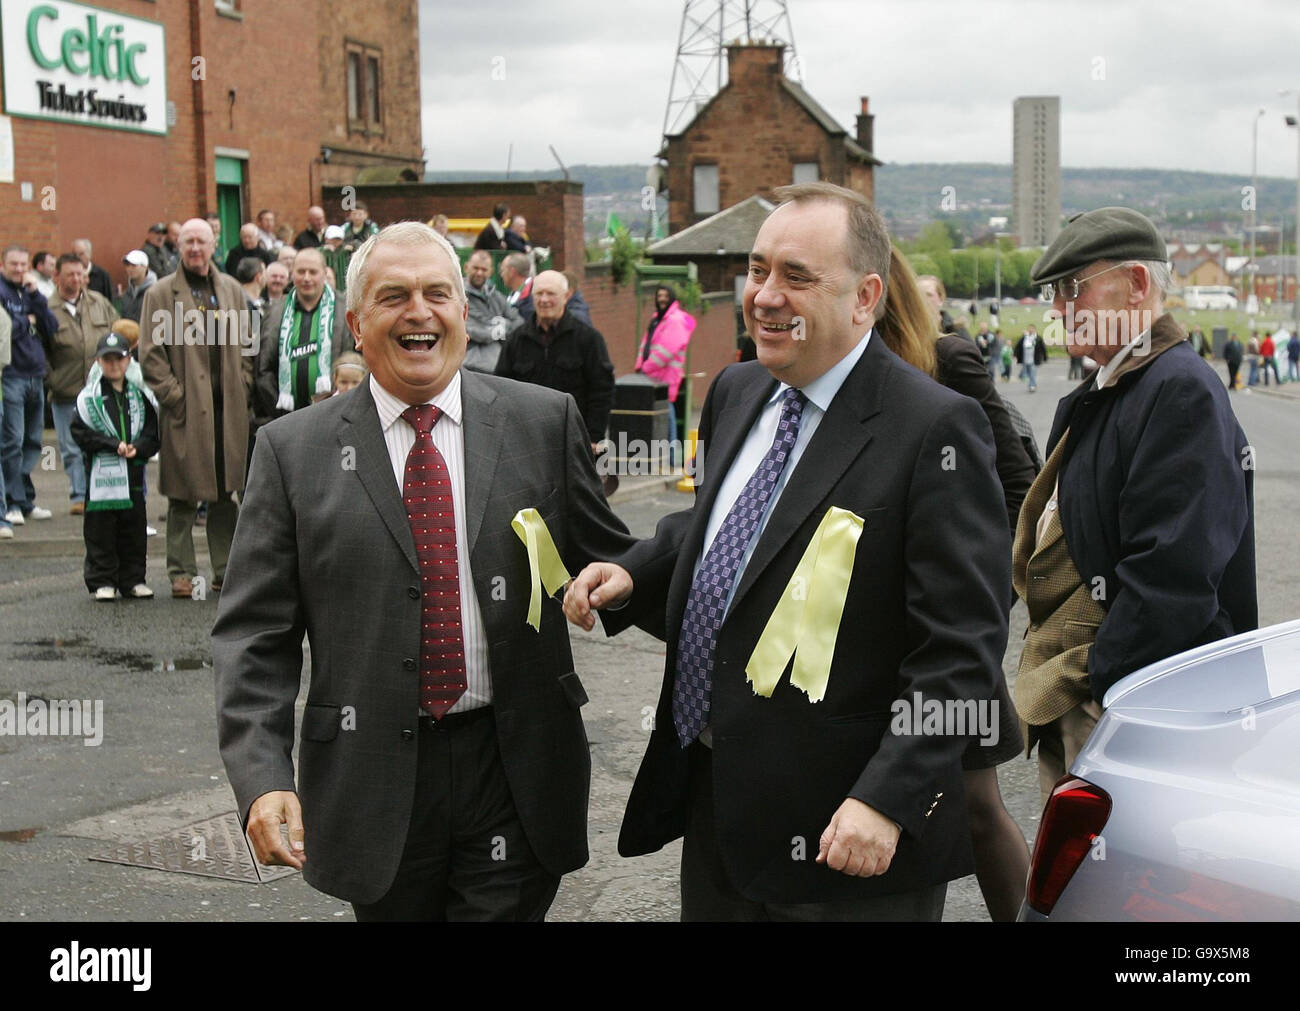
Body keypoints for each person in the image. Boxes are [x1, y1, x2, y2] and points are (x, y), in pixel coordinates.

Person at [563, 182, 1011, 921]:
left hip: (848, 838)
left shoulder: (934, 428)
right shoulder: (739, 390)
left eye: (797, 277)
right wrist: (636, 568)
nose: (764, 296)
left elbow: (960, 654)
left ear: (865, 296)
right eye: (757, 269)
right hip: (719, 813)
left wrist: (887, 798)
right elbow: (722, 526)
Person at [213, 221, 637, 921]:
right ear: (355, 321)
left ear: (465, 314)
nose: (419, 311)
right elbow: (253, 636)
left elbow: (614, 557)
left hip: (514, 767)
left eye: (438, 293)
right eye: (394, 296)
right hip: (372, 776)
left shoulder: (543, 422)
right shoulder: (292, 453)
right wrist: (261, 775)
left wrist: (627, 581)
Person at [1019, 207, 1257, 805]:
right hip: (1102, 696)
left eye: (1073, 287)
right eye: (1055, 291)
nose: (1057, 307)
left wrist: (1101, 681)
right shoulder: (1110, 388)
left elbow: (1174, 575)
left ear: (1139, 285)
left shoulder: (1178, 388)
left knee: (1110, 893)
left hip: (1133, 704)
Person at [874, 246, 1034, 921]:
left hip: (947, 626)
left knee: (973, 803)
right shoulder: (819, 369)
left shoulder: (947, 359)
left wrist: (978, 599)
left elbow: (1021, 483)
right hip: (869, 631)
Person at [140, 218, 254, 599]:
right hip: (187, 413)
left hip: (228, 414)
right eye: (187, 242)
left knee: (225, 495)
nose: (194, 249)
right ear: (179, 247)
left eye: (201, 242)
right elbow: (151, 356)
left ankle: (225, 570)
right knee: (183, 495)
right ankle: (182, 573)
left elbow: (249, 346)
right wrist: (175, 397)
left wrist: (244, 383)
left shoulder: (232, 290)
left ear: (213, 245)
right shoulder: (160, 294)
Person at [70, 331, 159, 600]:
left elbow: (153, 432)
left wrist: (138, 448)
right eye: (107, 359)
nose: (113, 365)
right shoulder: (89, 398)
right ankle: (102, 580)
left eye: (118, 358)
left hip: (132, 475)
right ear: (98, 362)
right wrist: (112, 445)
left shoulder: (141, 396)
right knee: (101, 530)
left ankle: (133, 579)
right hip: (100, 477)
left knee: (133, 529)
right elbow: (80, 432)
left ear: (128, 359)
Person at [495, 270, 615, 450]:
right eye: (539, 293)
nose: (544, 300)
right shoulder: (516, 340)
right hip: (527, 441)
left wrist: (594, 437)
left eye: (550, 293)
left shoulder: (588, 339)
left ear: (566, 296)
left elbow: (602, 390)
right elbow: (501, 389)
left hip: (574, 440)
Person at [48, 253, 119, 514]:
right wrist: (52, 379)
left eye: (80, 274)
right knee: (71, 447)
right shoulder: (46, 309)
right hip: (65, 391)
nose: (76, 279)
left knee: (102, 443)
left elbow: (117, 335)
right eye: (70, 274)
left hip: (100, 390)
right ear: (56, 276)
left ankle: (100, 493)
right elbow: (40, 351)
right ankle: (79, 495)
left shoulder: (99, 303)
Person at [255, 248, 353, 421]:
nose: (307, 278)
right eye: (301, 272)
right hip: (286, 418)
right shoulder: (275, 312)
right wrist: (279, 412)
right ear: (292, 274)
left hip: (335, 417)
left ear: (324, 273)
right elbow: (263, 368)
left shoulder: (344, 310)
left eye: (313, 272)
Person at [2, 245, 59, 527]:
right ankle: (12, 503)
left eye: (23, 264)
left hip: (37, 375)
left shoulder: (31, 292)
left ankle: (24, 499)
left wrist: (36, 297)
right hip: (11, 375)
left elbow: (51, 325)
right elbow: (6, 330)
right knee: (12, 443)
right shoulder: (1, 292)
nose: (19, 269)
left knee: (32, 442)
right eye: (14, 264)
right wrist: (27, 321)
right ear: (3, 265)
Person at [634, 284, 696, 449]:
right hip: (654, 375)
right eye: (659, 295)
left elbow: (666, 350)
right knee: (663, 414)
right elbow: (646, 344)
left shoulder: (674, 320)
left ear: (672, 298)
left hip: (663, 376)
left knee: (666, 413)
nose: (661, 299)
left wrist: (645, 368)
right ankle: (667, 458)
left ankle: (671, 459)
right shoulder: (658, 319)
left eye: (665, 296)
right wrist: (640, 366)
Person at [462, 250, 522, 374]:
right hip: (469, 367)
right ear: (466, 267)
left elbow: (519, 322)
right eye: (475, 268)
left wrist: (497, 327)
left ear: (491, 272)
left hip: (499, 367)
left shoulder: (495, 295)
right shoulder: (458, 295)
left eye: (484, 269)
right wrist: (500, 326)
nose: (479, 273)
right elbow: (469, 329)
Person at [118, 250, 157, 323]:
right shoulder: (127, 293)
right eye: (127, 265)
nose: (129, 268)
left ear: (145, 267)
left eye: (134, 265)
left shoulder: (156, 292)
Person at [498, 251, 533, 319]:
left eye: (502, 271)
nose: (501, 275)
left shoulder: (530, 299)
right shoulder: (517, 293)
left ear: (512, 272)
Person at [1018, 325, 1046, 391]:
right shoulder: (1024, 338)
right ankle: (1032, 383)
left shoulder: (1038, 338)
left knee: (1033, 372)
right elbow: (1018, 347)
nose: (1030, 330)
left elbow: (1043, 348)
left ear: (1035, 330)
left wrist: (1044, 357)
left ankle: (1032, 385)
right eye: (1029, 329)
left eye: (1032, 329)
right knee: (1028, 373)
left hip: (1034, 359)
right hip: (1025, 359)